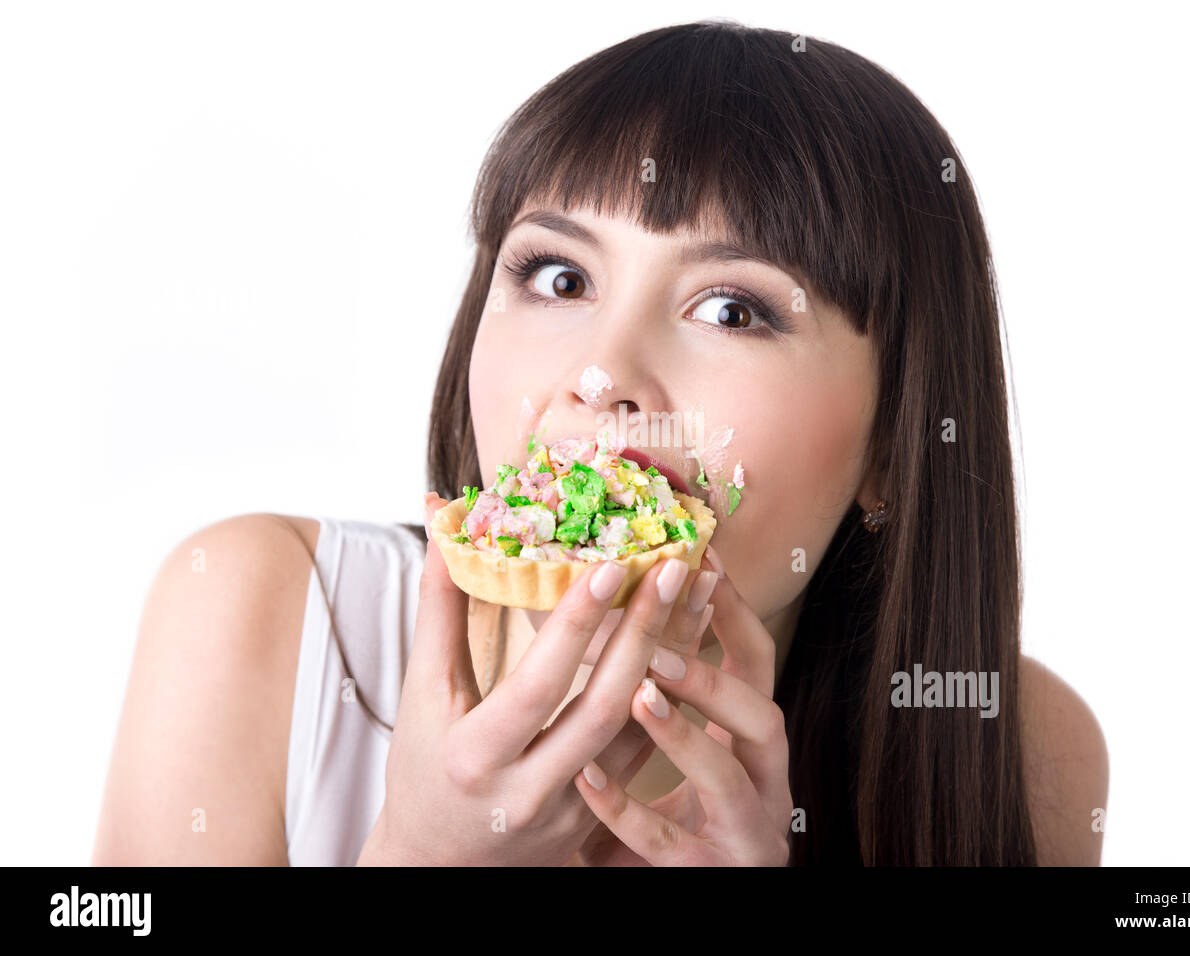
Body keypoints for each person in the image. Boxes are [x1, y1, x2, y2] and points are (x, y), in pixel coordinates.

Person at [92, 19, 1107, 866]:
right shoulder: (264, 611)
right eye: (559, 276)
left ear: (893, 440)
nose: (603, 374)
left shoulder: (1011, 749)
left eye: (731, 308)